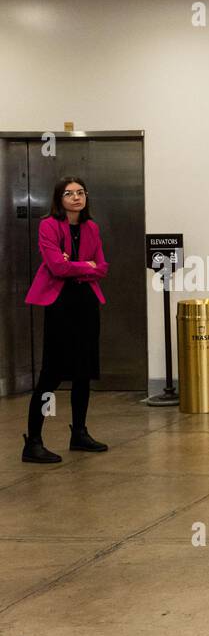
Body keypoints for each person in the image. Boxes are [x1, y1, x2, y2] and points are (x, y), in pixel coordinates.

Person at [22, 176, 110, 464]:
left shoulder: (91, 227)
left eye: (80, 192)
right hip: (60, 304)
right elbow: (57, 268)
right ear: (59, 199)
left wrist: (79, 266)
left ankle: (79, 433)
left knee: (84, 370)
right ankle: (33, 442)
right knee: (52, 372)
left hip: (86, 302)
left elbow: (103, 268)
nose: (76, 198)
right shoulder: (48, 225)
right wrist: (86, 266)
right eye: (69, 193)